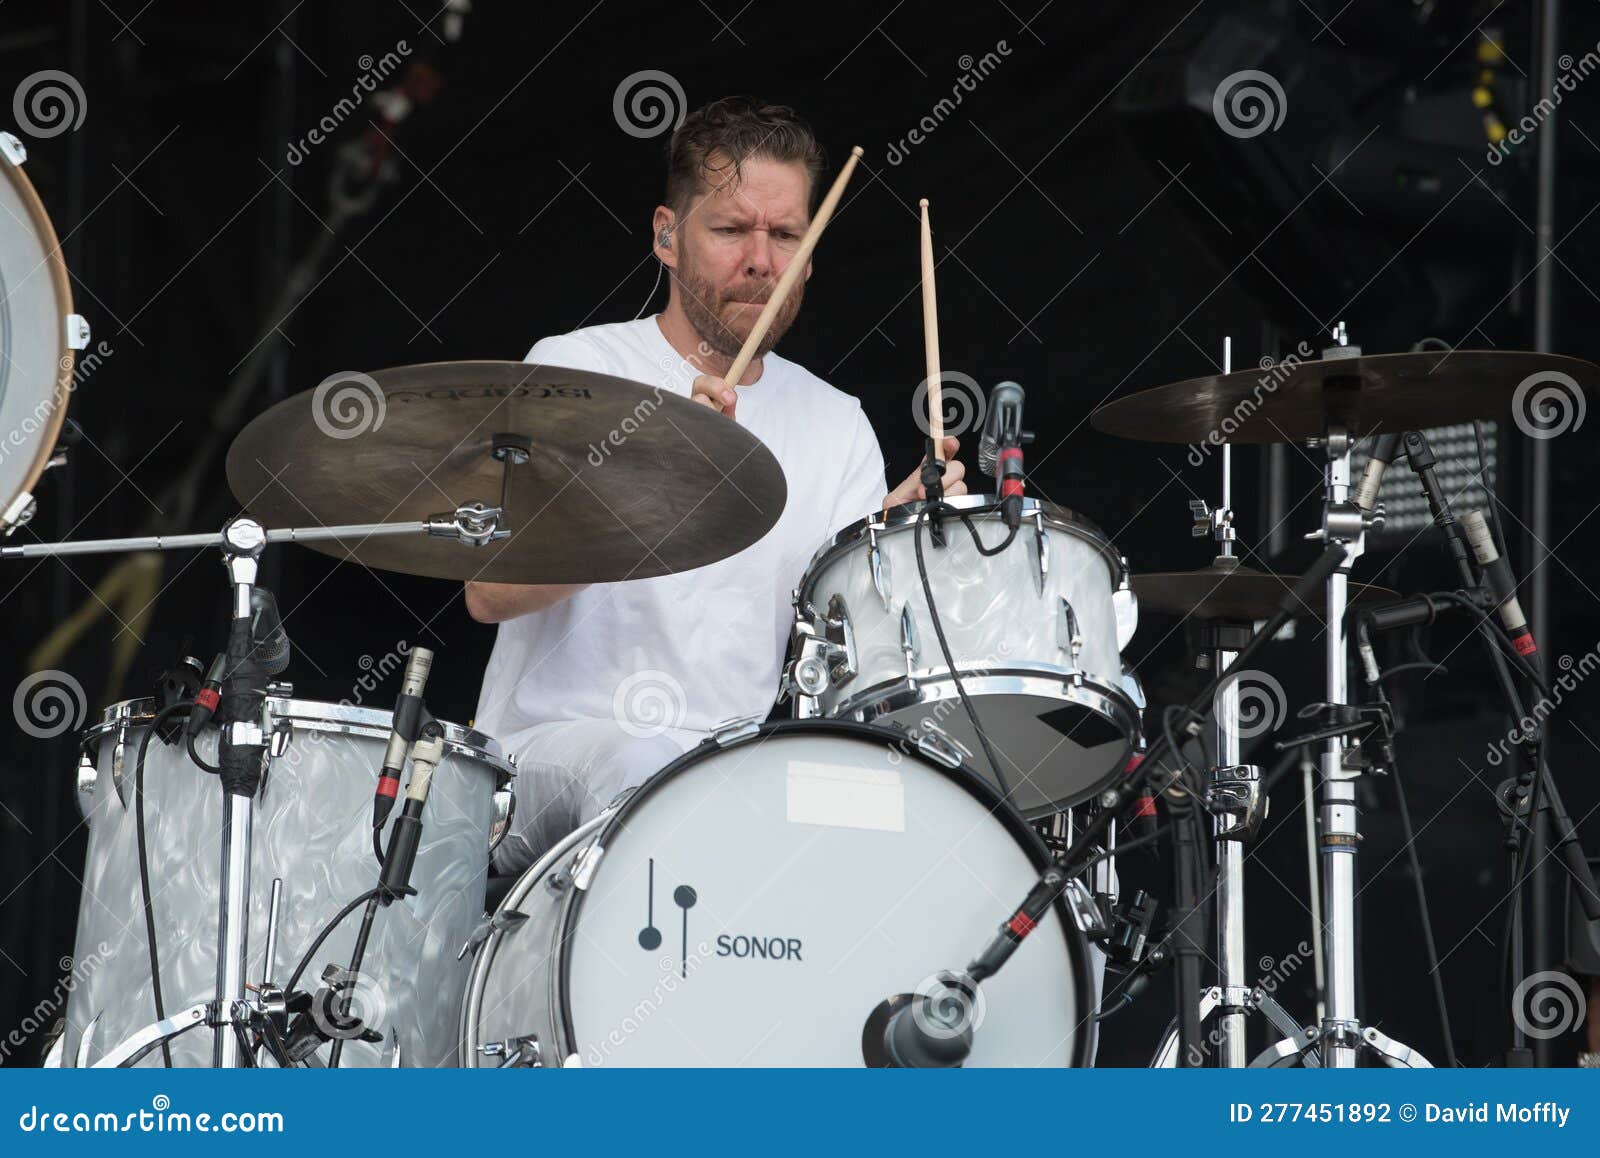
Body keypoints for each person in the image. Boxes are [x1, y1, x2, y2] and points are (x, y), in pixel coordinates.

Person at [468, 96, 965, 873]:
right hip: (549, 758)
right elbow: (490, 591)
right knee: (640, 765)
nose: (762, 261)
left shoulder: (837, 425)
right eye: (732, 230)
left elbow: (845, 666)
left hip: (732, 768)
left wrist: (893, 552)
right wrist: (658, 478)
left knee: (921, 814)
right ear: (667, 236)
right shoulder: (577, 371)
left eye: (786, 235)